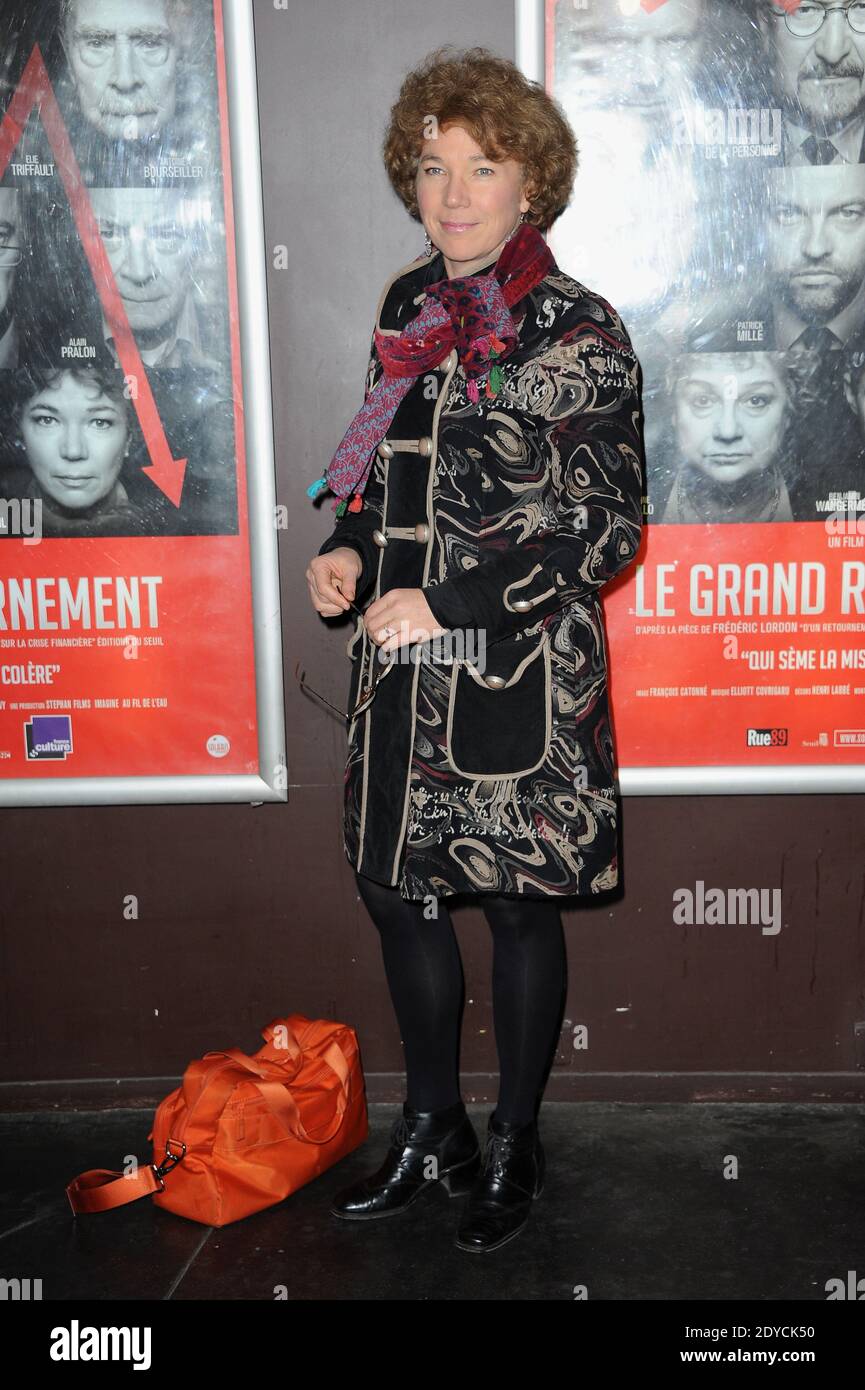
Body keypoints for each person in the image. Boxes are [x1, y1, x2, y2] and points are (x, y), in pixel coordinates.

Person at [305, 47, 644, 1254]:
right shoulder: (408, 304)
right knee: (394, 887)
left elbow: (605, 530)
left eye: (481, 168)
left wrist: (449, 601)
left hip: (515, 669)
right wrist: (345, 543)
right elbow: (369, 448)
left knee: (510, 901)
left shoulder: (577, 329)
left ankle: (514, 1140)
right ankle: (434, 1122)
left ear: (529, 185)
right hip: (401, 666)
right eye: (433, 167)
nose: (453, 194)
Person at [0, 364, 148, 536]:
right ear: (20, 434)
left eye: (100, 422)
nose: (73, 451)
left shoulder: (162, 527)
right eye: (47, 420)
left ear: (128, 440)